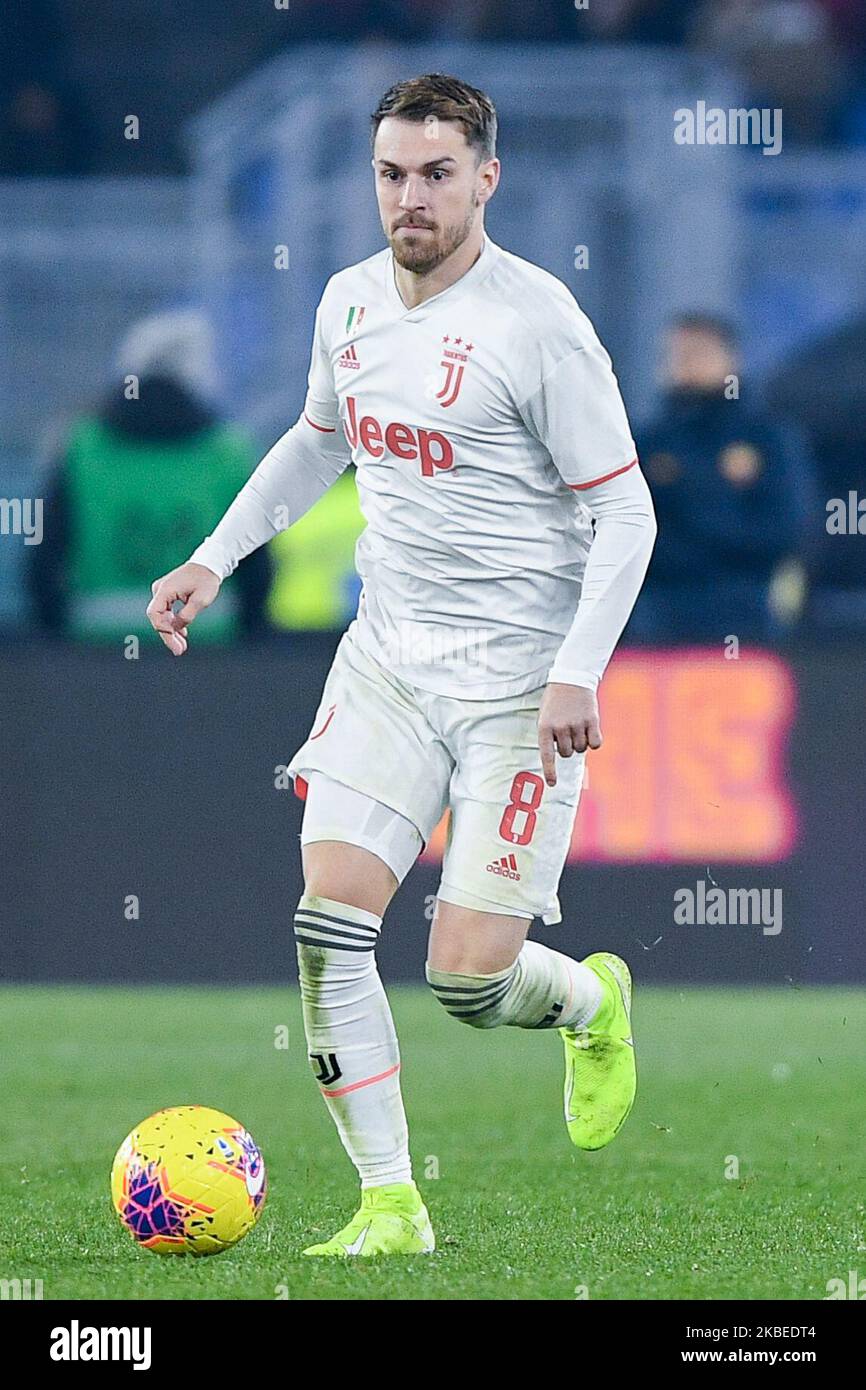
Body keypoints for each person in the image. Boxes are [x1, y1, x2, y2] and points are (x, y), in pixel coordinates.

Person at [147, 74, 657, 1257]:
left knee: (469, 981)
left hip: (516, 685)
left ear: (487, 177)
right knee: (328, 920)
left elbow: (624, 513)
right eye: (390, 173)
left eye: (435, 174)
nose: (409, 198)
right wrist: (214, 558)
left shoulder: (537, 325)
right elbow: (317, 438)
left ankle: (590, 1001)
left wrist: (577, 671)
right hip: (387, 659)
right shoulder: (347, 303)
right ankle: (389, 1204)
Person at [30, 311, 270, 644]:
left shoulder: (84, 448)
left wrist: (52, 642)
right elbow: (257, 569)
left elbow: (43, 559)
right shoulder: (227, 453)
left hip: (96, 650)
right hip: (208, 649)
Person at [629, 312, 817, 642]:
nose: (686, 364)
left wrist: (691, 497)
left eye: (700, 353)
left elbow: (785, 529)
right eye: (677, 355)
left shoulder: (768, 440)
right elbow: (623, 531)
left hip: (742, 614)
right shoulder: (644, 443)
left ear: (731, 359)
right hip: (652, 617)